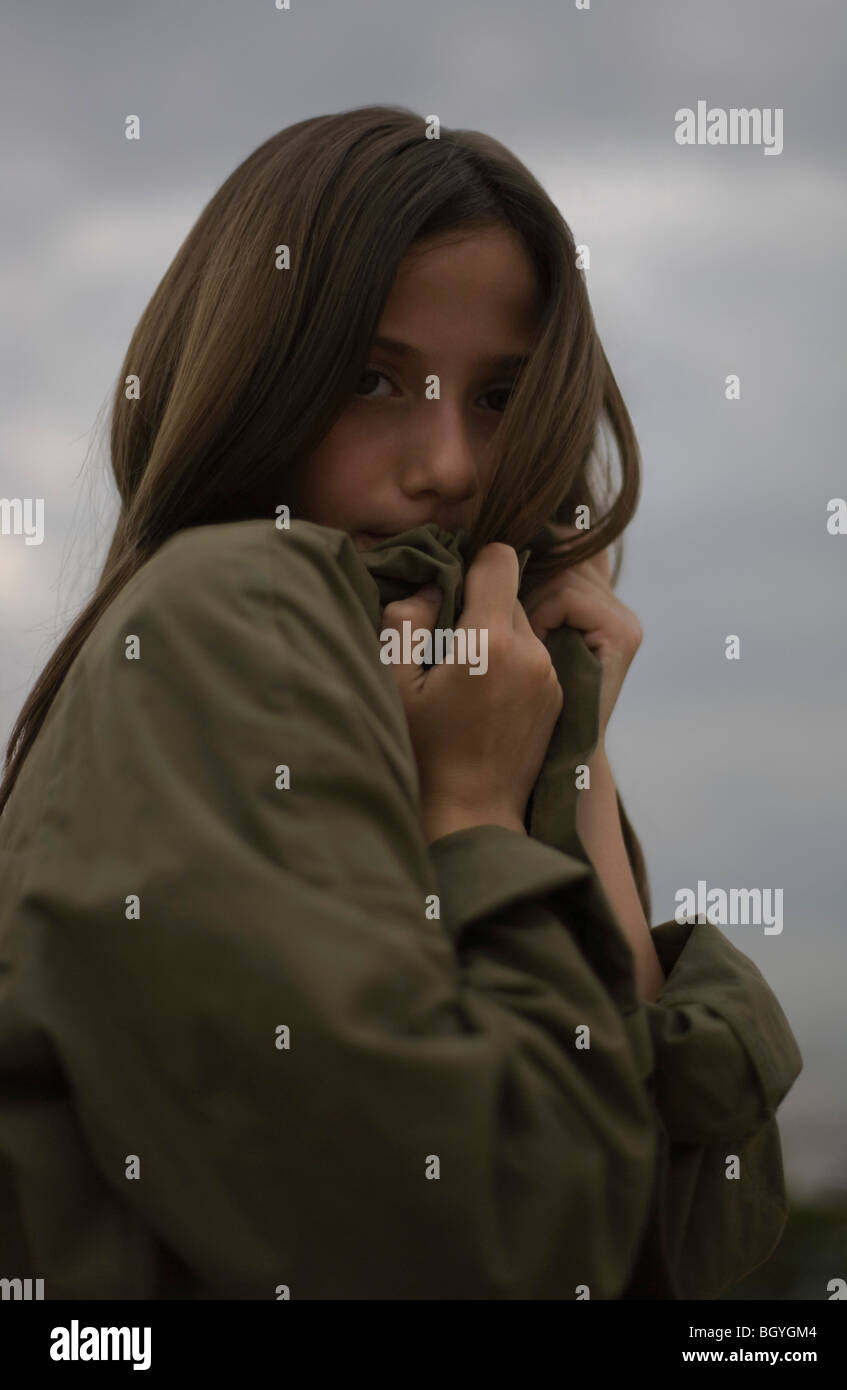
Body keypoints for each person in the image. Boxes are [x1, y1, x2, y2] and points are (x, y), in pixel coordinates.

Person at [0, 105, 801, 1300]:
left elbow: (683, 1251)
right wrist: (477, 809)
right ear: (247, 381)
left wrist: (572, 764)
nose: (449, 465)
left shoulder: (453, 686)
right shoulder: (233, 604)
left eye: (499, 398)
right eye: (374, 379)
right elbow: (489, 1246)